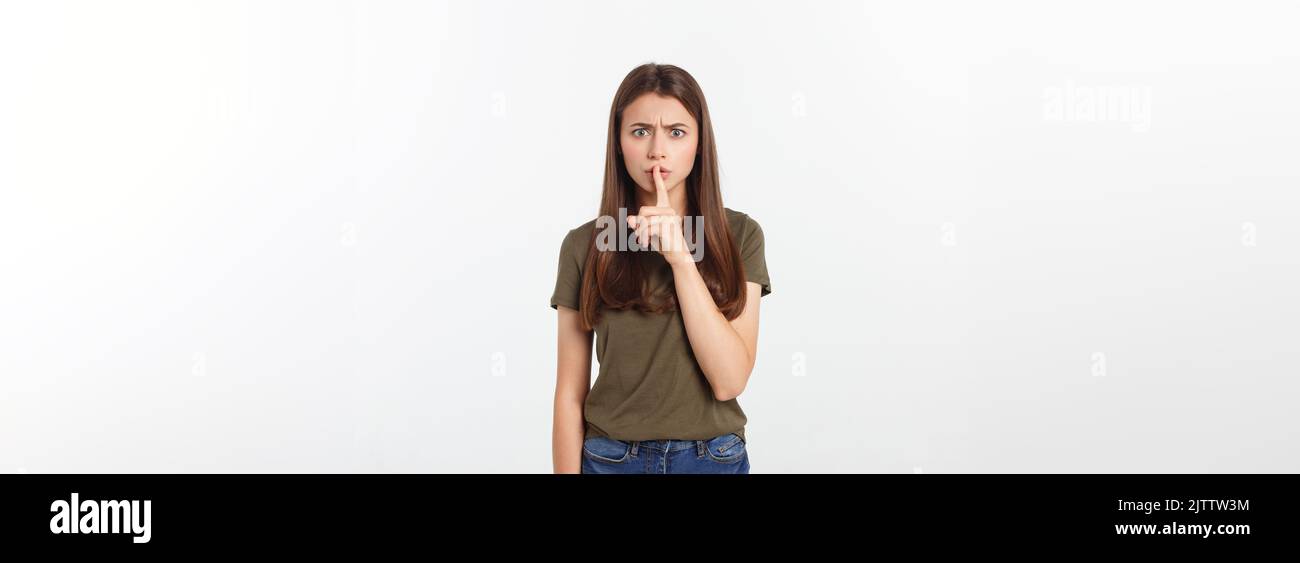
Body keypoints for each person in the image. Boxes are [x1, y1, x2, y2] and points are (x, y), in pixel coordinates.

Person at [550, 63, 771, 474]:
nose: (657, 150)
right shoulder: (587, 244)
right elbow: (569, 394)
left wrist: (679, 257)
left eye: (676, 132)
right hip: (610, 459)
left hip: (712, 459)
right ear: (618, 143)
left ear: (699, 143)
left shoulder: (740, 236)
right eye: (639, 131)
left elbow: (729, 380)